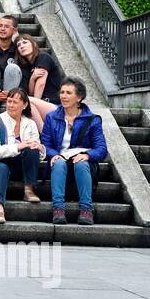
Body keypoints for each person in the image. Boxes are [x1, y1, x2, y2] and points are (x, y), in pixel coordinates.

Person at [40, 78, 108, 225]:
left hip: (82, 163)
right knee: (58, 163)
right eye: (62, 92)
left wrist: (87, 155)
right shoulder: (52, 117)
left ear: (79, 97)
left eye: (68, 93)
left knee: (81, 163)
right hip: (60, 161)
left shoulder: (92, 120)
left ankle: (86, 210)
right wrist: (54, 154)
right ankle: (58, 209)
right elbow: (45, 143)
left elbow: (101, 149)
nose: (63, 96)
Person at [0, 88, 44, 225]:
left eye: (15, 102)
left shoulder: (30, 123)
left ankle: (28, 189)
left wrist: (40, 148)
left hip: (19, 166)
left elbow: (39, 155)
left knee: (32, 149)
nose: (11, 105)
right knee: (2, 168)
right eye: (9, 101)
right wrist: (18, 147)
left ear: (24, 105)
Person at [13, 33, 62, 124]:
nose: (22, 46)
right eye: (19, 45)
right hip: (39, 104)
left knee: (25, 102)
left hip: (54, 105)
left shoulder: (43, 57)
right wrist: (32, 78)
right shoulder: (25, 67)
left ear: (34, 44)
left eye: (25, 42)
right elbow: (31, 93)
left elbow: (40, 84)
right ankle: (42, 134)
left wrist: (34, 105)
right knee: (26, 102)